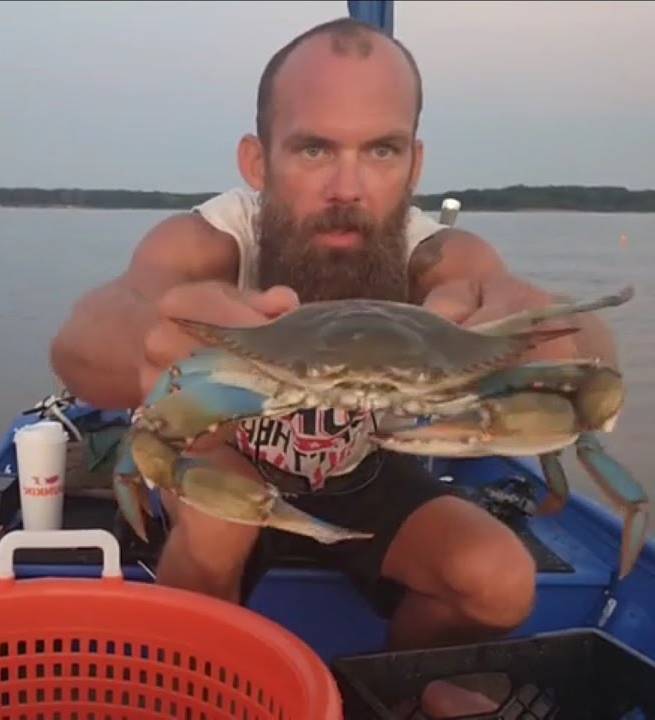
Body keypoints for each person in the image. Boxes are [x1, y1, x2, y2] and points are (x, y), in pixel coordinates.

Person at [50, 16, 620, 716]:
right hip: (233, 462)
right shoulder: (210, 243)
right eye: (315, 149)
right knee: (216, 520)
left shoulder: (438, 259)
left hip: (360, 469)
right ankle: (196, 693)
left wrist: (558, 334)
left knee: (499, 578)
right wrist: (150, 344)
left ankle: (373, 694)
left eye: (381, 150)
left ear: (414, 163)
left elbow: (585, 357)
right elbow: (88, 332)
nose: (348, 187)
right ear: (258, 162)